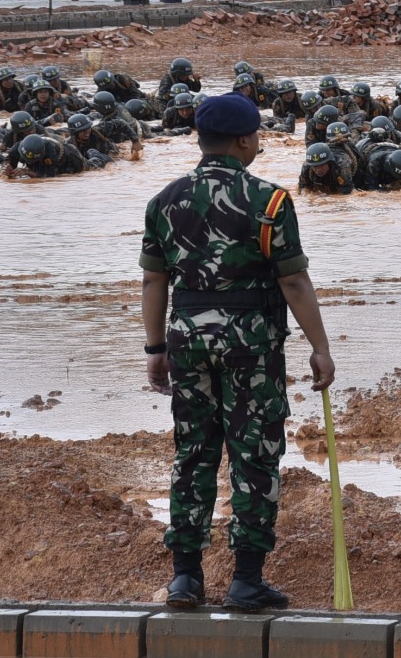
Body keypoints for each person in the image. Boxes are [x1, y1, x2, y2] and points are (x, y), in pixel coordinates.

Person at [139, 92, 335, 612]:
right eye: (258, 136)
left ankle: (185, 579)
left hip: (186, 340)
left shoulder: (165, 200)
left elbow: (153, 281)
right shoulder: (270, 202)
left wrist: (155, 347)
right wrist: (320, 347)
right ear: (246, 140)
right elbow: (293, 280)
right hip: (251, 344)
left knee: (193, 452)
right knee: (255, 454)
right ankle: (246, 580)